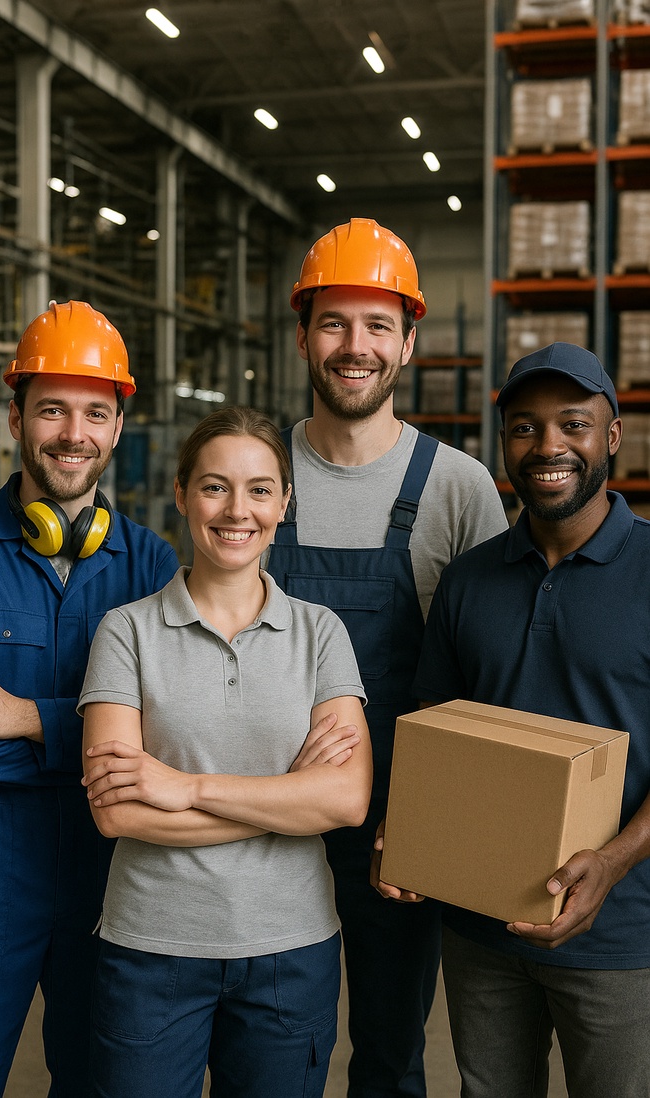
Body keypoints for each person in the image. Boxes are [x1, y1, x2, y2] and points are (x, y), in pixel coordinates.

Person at [265, 217, 508, 1097]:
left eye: (377, 325)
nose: (354, 346)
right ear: (302, 335)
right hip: (265, 813)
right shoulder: (258, 472)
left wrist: (436, 823)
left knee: (391, 1054)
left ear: (409, 339)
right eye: (334, 323)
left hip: (398, 826)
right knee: (271, 1050)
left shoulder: (457, 487)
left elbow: (487, 679)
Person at [0, 300, 179, 1098]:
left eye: (96, 412)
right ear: (15, 417)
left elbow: (172, 733)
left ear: (118, 428)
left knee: (103, 1082)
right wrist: (105, 750)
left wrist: (23, 715)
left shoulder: (152, 563)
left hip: (116, 880)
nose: (74, 433)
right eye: (53, 408)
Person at [79, 405, 373, 1098]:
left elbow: (347, 799)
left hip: (290, 953)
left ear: (284, 503)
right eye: (214, 486)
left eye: (259, 489)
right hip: (151, 951)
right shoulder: (126, 633)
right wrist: (286, 797)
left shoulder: (320, 633)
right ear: (181, 495)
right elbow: (117, 815)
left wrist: (184, 787)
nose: (237, 510)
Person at [392, 341, 650, 1097]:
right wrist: (405, 832)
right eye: (525, 428)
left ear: (611, 436)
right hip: (481, 926)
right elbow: (432, 727)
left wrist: (612, 861)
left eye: (573, 423)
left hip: (620, 936)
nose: (548, 447)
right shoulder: (471, 578)